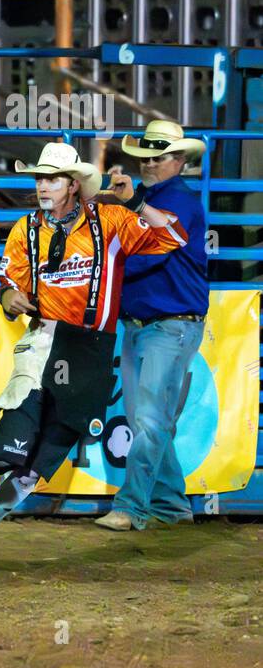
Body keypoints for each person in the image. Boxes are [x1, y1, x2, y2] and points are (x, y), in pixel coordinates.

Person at [0, 142, 192, 571]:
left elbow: (174, 236)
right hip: (45, 342)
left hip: (91, 351)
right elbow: (11, 280)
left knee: (40, 460)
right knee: (11, 444)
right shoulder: (26, 228)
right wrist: (10, 297)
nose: (43, 186)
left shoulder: (112, 221)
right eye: (39, 178)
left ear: (72, 185)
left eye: (51, 179)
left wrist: (136, 200)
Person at [95, 121, 209, 531]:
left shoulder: (180, 202)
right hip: (147, 325)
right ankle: (172, 507)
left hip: (168, 326)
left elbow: (152, 247)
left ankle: (130, 507)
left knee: (148, 420)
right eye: (145, 158)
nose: (148, 164)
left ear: (179, 161)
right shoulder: (153, 202)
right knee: (149, 419)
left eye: (157, 158)